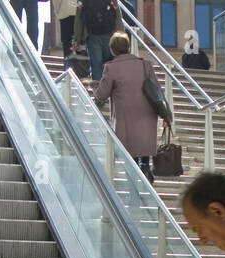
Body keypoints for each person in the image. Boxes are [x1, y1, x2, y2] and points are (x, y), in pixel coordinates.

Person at [95, 33, 173, 184]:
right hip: (147, 116)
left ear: (112, 49)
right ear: (128, 47)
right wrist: (166, 114)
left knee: (130, 156)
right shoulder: (145, 64)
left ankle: (134, 185)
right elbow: (157, 91)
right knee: (143, 149)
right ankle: (145, 167)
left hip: (125, 119)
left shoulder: (111, 68)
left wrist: (94, 88)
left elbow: (102, 95)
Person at [76, 0, 125, 82]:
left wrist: (77, 40)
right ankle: (109, 89)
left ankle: (98, 91)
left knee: (96, 66)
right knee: (109, 64)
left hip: (92, 35)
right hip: (109, 35)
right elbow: (117, 15)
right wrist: (121, 34)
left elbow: (79, 20)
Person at [54, 0, 78, 65]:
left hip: (65, 11)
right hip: (79, 11)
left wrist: (57, 12)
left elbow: (56, 2)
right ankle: (80, 67)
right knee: (80, 41)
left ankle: (68, 65)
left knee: (66, 41)